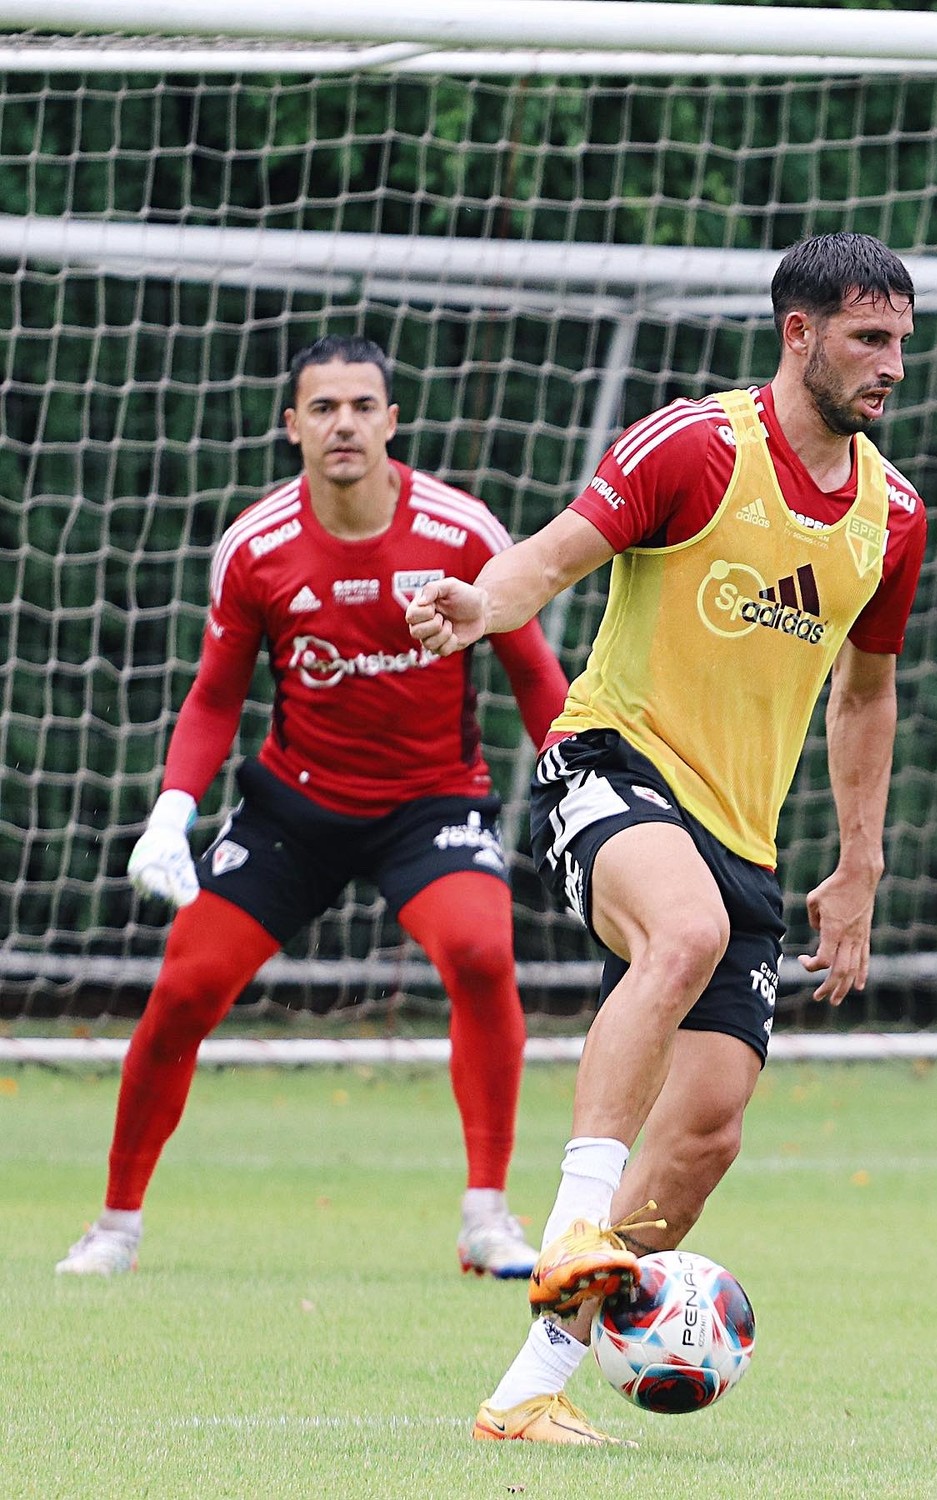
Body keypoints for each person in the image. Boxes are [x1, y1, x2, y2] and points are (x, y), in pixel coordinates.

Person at [406, 233, 928, 1444]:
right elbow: (552, 555)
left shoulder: (893, 514)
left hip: (747, 840)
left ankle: (528, 1391)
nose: (892, 365)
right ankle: (573, 1222)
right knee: (681, 931)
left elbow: (866, 696)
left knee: (704, 1136)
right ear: (799, 333)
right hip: (612, 767)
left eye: (902, 342)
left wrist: (860, 863)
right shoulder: (696, 446)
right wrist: (481, 602)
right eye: (869, 339)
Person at [56, 335, 569, 1281]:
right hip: (291, 811)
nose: (344, 424)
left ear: (392, 421)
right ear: (292, 425)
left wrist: (577, 782)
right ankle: (115, 1226)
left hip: (432, 806)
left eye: (363, 406)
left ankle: (487, 1217)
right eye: (324, 408)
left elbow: (533, 670)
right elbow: (216, 695)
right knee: (183, 989)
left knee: (482, 953)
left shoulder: (463, 532)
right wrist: (172, 812)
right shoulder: (256, 546)